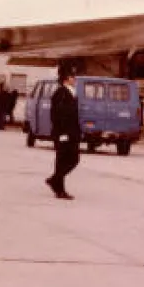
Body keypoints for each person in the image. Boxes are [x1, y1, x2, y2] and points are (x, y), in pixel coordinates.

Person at [45, 64, 80, 200]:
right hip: (63, 134)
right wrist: (62, 133)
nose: (74, 79)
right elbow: (57, 115)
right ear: (66, 79)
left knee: (73, 159)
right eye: (72, 76)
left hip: (72, 133)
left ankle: (54, 180)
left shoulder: (71, 92)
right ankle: (59, 189)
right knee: (62, 160)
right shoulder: (60, 93)